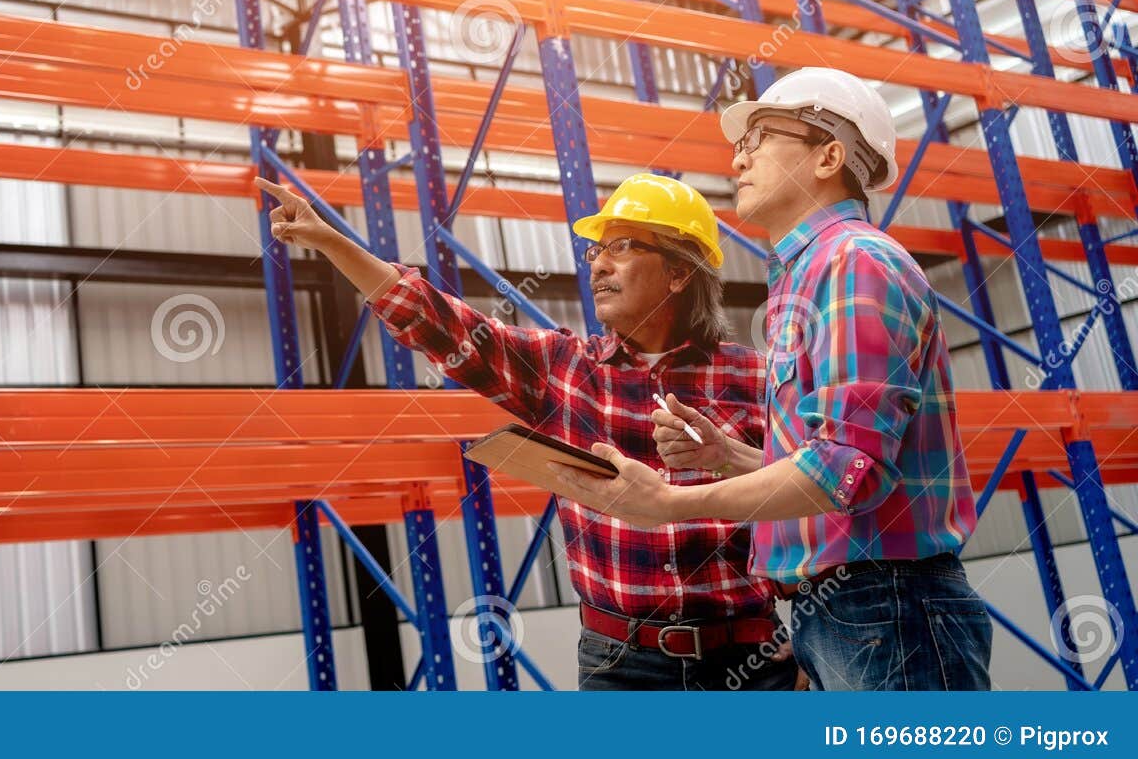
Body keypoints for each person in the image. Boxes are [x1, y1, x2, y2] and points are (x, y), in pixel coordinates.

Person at [252, 171, 795, 691]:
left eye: (622, 246)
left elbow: (807, 504)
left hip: (751, 658)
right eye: (594, 251)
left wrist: (812, 647)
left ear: (679, 272)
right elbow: (437, 321)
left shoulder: (754, 376)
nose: (599, 265)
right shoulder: (563, 369)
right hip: (622, 667)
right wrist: (331, 242)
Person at [545, 68, 990, 691]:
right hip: (845, 609)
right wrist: (728, 456)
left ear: (829, 156)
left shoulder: (854, 263)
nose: (739, 154)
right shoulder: (806, 278)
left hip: (885, 605)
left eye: (761, 137)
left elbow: (844, 470)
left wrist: (670, 504)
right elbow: (832, 460)